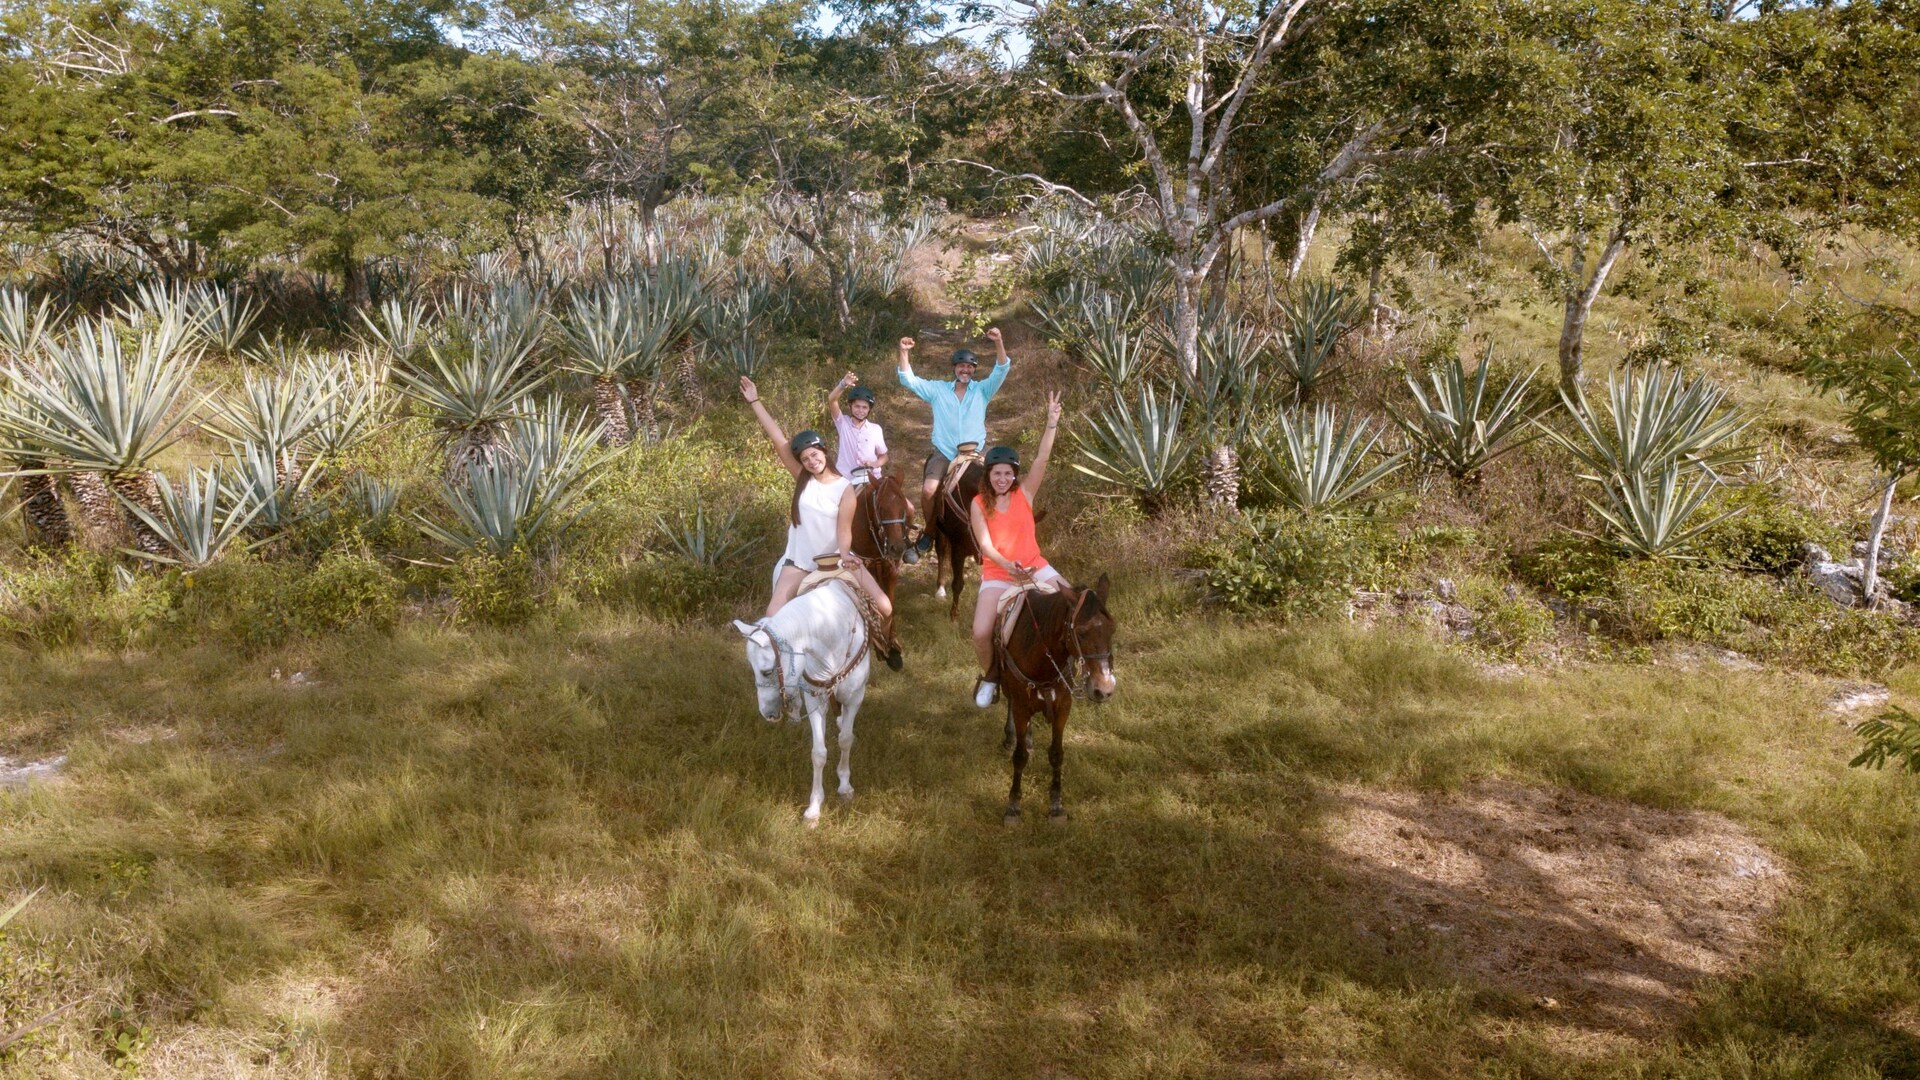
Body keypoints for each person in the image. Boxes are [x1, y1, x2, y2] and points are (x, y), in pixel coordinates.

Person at [740, 375, 902, 669]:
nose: (811, 461)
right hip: (800, 563)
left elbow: (843, 531)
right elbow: (778, 439)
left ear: (824, 452)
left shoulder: (845, 489)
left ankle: (880, 643)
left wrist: (846, 555)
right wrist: (755, 401)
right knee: (773, 615)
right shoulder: (803, 480)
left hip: (835, 561)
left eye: (814, 455)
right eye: (805, 459)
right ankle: (779, 672)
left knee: (885, 606)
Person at [968, 390, 1066, 708]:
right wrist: (1008, 565)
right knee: (981, 632)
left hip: (1037, 567)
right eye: (997, 473)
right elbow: (985, 545)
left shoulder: (1025, 493)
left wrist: (1051, 423)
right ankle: (991, 676)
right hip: (999, 574)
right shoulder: (978, 503)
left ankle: (1070, 670)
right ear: (988, 475)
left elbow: (1042, 460)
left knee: (1074, 605)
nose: (1002, 478)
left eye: (1008, 473)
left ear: (1014, 475)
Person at [896, 327, 1011, 554]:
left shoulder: (983, 390)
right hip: (945, 452)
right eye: (961, 366)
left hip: (976, 453)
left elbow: (1002, 369)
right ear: (955, 368)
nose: (965, 370)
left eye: (969, 367)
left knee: (1000, 484)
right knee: (928, 490)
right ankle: (930, 531)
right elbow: (908, 379)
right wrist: (903, 351)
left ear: (974, 370)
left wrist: (999, 341)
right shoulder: (938, 390)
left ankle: (1000, 533)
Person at [827, 371, 919, 565]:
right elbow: (832, 400)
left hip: (874, 480)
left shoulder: (875, 429)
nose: (861, 410)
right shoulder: (843, 423)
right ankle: (835, 549)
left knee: (909, 507)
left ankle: (906, 542)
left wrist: (875, 464)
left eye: (864, 407)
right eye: (857, 406)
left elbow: (884, 455)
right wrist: (843, 384)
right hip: (847, 479)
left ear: (869, 409)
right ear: (851, 406)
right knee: (831, 511)